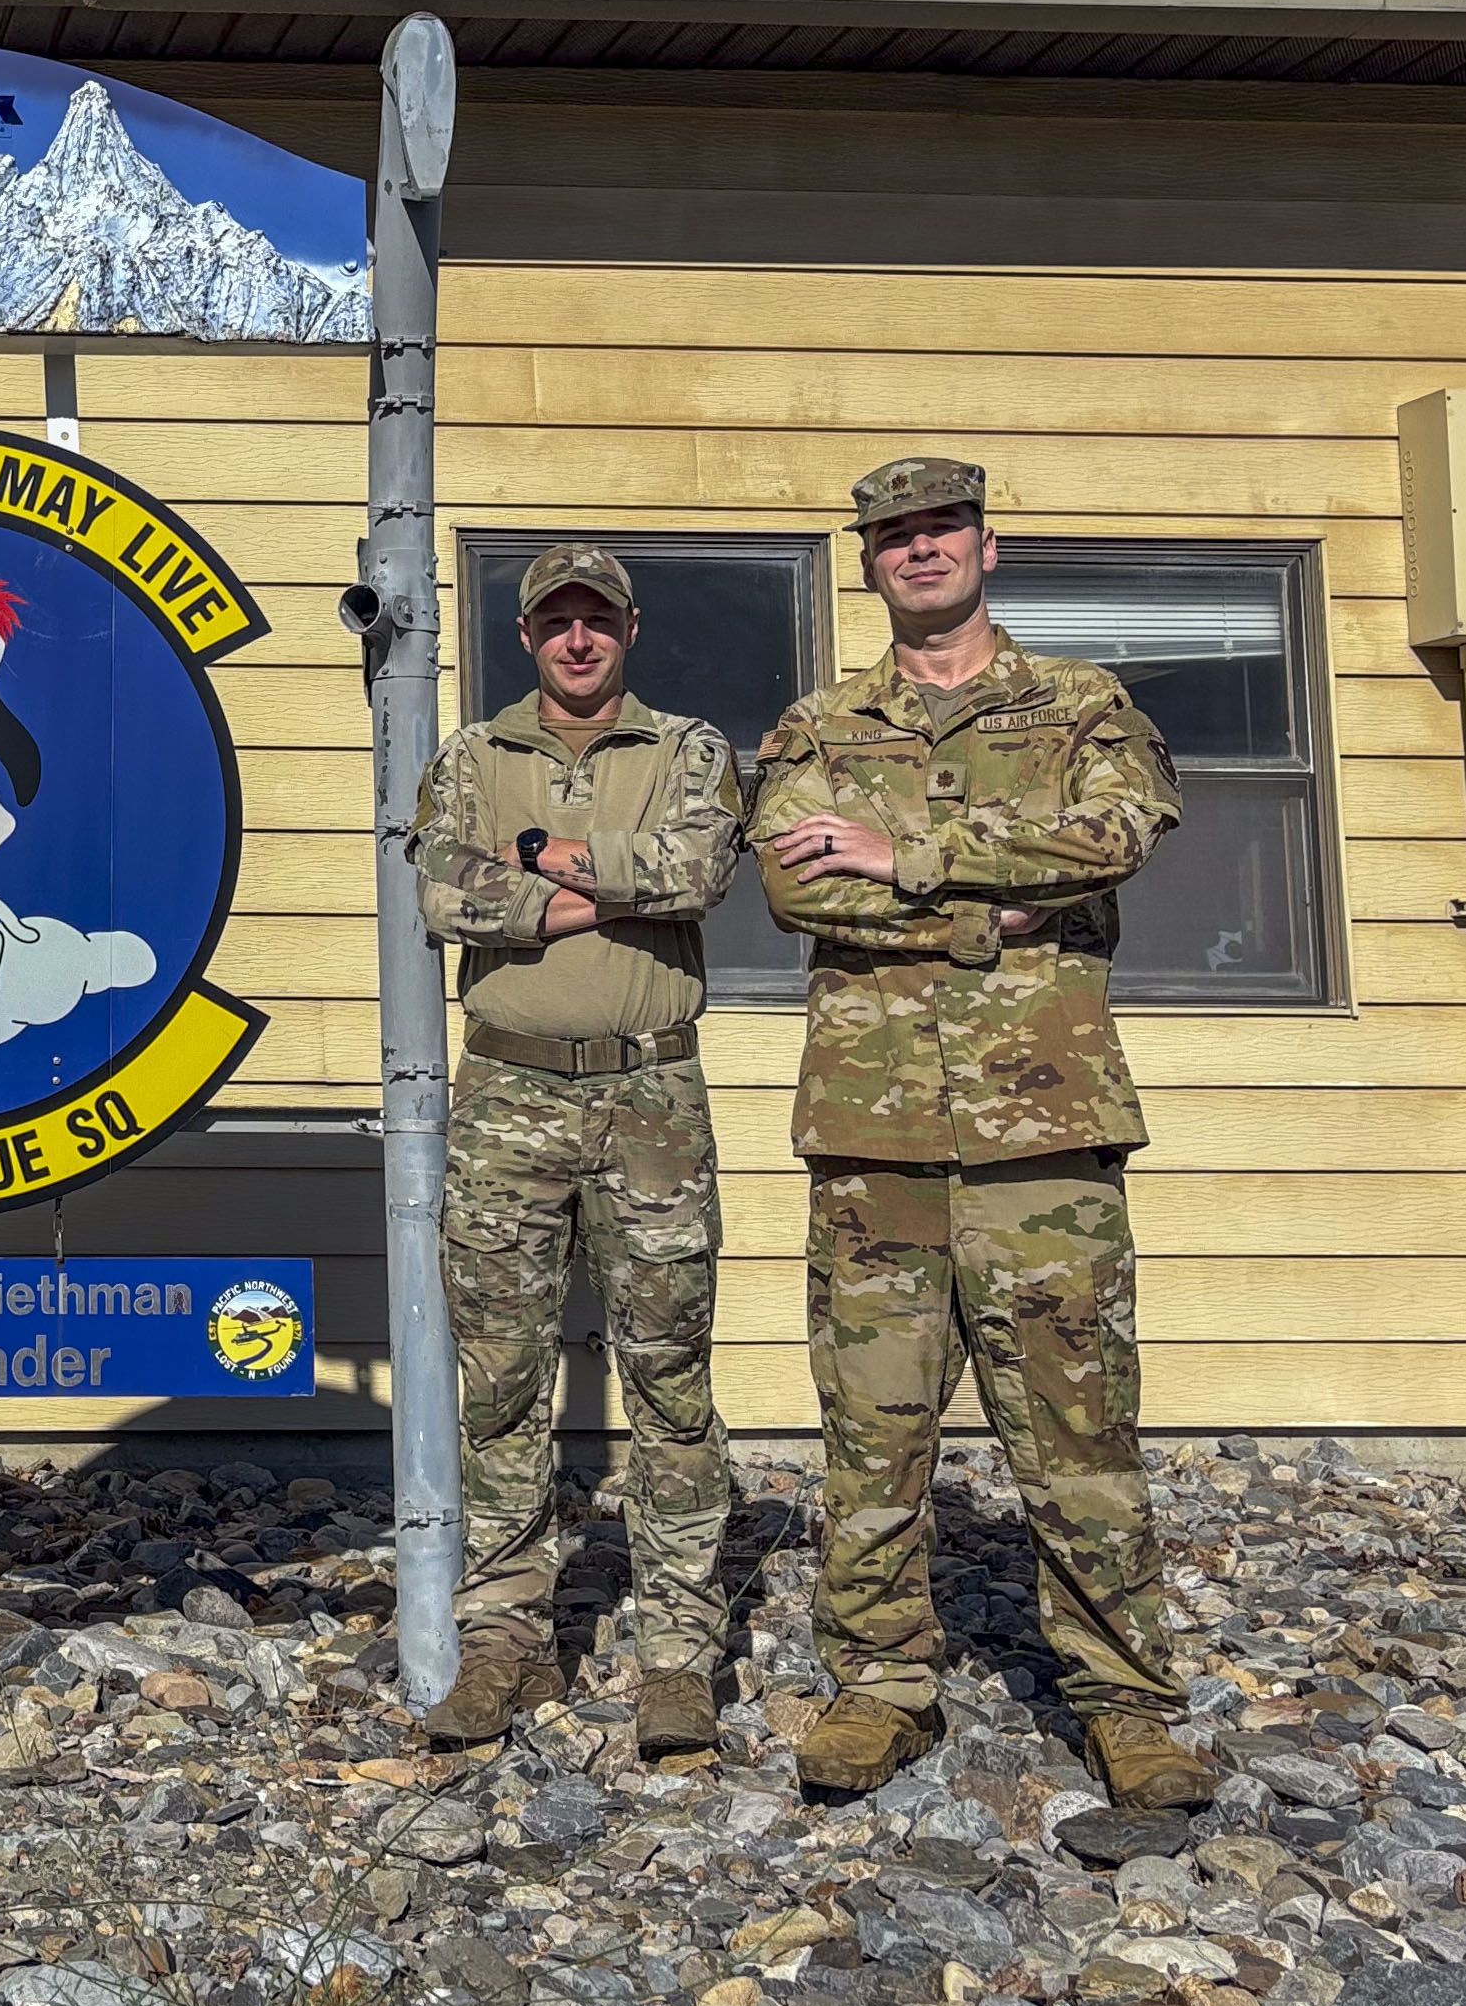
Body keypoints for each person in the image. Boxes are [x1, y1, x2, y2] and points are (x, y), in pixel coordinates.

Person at [752, 457, 1215, 1808]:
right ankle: (880, 1687)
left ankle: (1127, 1701)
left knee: (1076, 1430)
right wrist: (999, 904)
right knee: (872, 1434)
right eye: (891, 535)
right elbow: (794, 889)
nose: (918, 550)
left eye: (939, 527)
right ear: (867, 561)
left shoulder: (1079, 702)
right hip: (871, 1135)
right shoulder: (819, 722)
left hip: (1045, 1134)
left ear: (985, 543)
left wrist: (905, 857)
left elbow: (1118, 831)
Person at [403, 544, 744, 1759]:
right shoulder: (471, 760)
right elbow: (443, 895)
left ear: (631, 629)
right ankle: (506, 1641)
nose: (578, 640)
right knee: (499, 1384)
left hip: (650, 1094)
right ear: (526, 635)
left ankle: (675, 1657)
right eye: (557, 621)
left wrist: (542, 860)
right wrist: (612, 885)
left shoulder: (687, 751)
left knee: (669, 1379)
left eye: (598, 619)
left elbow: (699, 866)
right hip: (505, 1096)